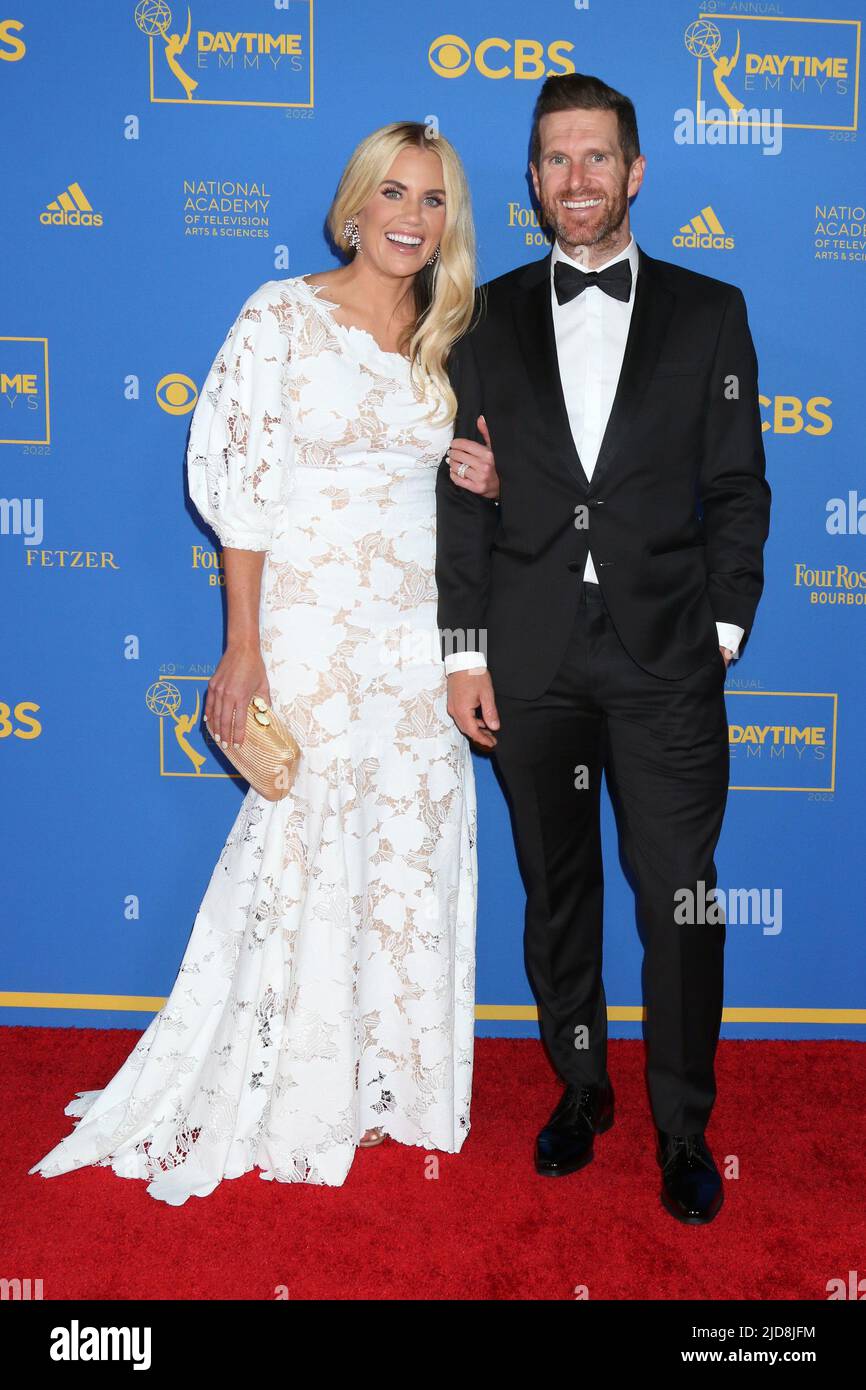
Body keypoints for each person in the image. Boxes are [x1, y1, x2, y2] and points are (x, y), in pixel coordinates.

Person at [29, 121, 499, 1204]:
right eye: (390, 194)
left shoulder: (451, 330)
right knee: (307, 835)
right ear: (352, 206)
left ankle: (391, 1084)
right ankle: (291, 1079)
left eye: (431, 200)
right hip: (311, 625)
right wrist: (242, 644)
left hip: (415, 633)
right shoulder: (280, 314)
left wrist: (487, 483)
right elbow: (242, 491)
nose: (409, 218)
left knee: (407, 845)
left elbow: (472, 489)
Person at [436, 74, 770, 1224]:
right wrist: (464, 649)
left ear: (633, 172)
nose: (573, 180)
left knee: (677, 896)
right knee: (556, 893)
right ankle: (581, 1086)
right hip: (530, 657)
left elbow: (735, 486)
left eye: (595, 158)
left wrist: (720, 628)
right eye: (552, 160)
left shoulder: (707, 312)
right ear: (529, 179)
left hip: (665, 655)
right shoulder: (479, 317)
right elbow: (461, 500)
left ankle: (685, 1123)